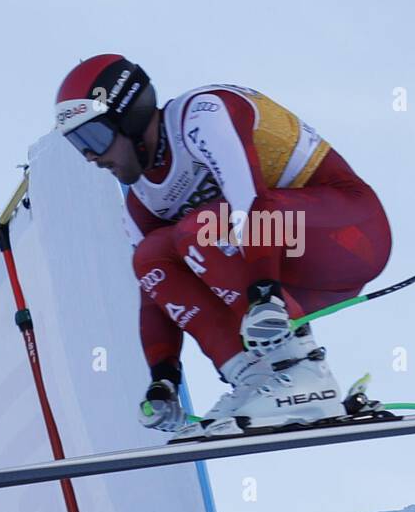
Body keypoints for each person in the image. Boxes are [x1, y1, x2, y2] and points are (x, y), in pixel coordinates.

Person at [54, 54, 392, 434]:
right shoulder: (141, 201)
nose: (91, 157)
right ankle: (255, 376)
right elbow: (155, 296)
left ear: (129, 116)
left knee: (200, 227)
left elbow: (250, 203)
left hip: (351, 235)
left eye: (93, 137)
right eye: (77, 145)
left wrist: (265, 296)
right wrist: (163, 378)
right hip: (286, 274)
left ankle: (305, 372)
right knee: (152, 256)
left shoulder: (202, 116)